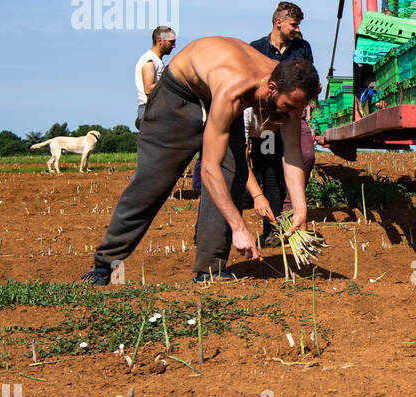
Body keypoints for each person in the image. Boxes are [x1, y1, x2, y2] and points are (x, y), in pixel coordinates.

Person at [82, 37, 320, 284]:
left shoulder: (291, 91)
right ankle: (105, 264)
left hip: (214, 95)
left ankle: (211, 269)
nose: (293, 114)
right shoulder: (235, 88)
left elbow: (292, 153)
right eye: (289, 107)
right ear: (271, 87)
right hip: (179, 96)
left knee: (232, 174)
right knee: (153, 181)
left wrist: (300, 208)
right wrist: (239, 228)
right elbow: (208, 168)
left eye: (298, 109)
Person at [249, 1, 316, 244]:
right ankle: (273, 229)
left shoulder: (302, 47)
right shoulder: (256, 48)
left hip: (292, 116)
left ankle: (291, 211)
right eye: (293, 24)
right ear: (278, 22)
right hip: (266, 121)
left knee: (305, 156)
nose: (297, 29)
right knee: (269, 169)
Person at [134, 27, 176, 130]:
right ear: (160, 41)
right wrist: (170, 81)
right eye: (171, 42)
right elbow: (148, 89)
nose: (174, 46)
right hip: (150, 109)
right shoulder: (150, 60)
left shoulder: (157, 61)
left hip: (155, 109)